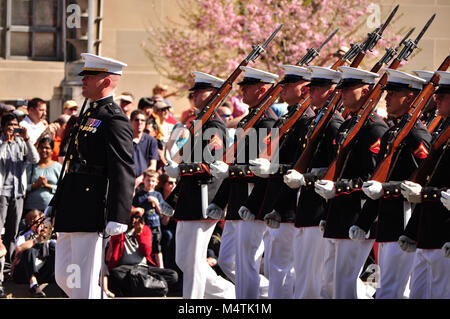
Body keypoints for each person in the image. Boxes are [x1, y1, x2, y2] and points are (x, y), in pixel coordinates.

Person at [52, 53, 136, 299]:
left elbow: (123, 168)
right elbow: (71, 163)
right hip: (71, 202)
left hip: (91, 205)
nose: (84, 81)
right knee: (64, 276)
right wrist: (54, 204)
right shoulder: (89, 114)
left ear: (106, 81)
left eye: (90, 76)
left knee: (82, 281)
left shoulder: (114, 118)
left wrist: (118, 214)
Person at [353, 69, 432, 299]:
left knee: (393, 291)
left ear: (409, 98)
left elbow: (422, 181)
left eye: (393, 93)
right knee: (385, 289)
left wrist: (386, 190)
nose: (386, 98)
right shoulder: (392, 134)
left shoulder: (417, 135)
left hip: (405, 222)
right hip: (386, 222)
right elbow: (380, 178)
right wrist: (364, 221)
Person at [311, 66, 388, 299]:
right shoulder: (348, 125)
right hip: (337, 212)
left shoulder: (375, 128)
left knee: (345, 284)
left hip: (356, 214)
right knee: (328, 282)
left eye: (348, 88)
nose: (342, 93)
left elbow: (372, 179)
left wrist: (339, 187)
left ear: (365, 92)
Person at [207, 66, 279, 299]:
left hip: (253, 199)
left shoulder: (267, 123)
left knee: (247, 260)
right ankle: (272, 293)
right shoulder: (249, 120)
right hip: (238, 199)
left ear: (262, 90)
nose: (242, 92)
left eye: (246, 88)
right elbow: (236, 163)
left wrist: (233, 170)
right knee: (228, 260)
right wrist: (220, 201)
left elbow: (262, 167)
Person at [164, 71, 235, 299]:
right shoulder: (199, 123)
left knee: (193, 260)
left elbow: (211, 164)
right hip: (189, 197)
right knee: (183, 259)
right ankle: (228, 294)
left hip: (205, 197)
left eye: (199, 92)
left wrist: (181, 168)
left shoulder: (215, 125)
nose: (194, 96)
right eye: (193, 93)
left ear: (214, 94)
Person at [248, 64, 314, 299]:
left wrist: (273, 168)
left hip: (289, 203)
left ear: (304, 89)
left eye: (289, 85)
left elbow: (299, 164)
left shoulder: (306, 121)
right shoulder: (287, 118)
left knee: (283, 267)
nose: (284, 88)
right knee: (278, 266)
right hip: (276, 202)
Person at [283, 66, 344, 298]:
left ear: (329, 92)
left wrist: (307, 177)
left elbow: (335, 167)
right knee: (304, 271)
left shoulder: (334, 124)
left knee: (312, 275)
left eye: (317, 88)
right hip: (306, 204)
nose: (310, 92)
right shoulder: (317, 120)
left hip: (319, 206)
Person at [398, 70, 450, 299]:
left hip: (444, 232)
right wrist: (411, 232)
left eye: (444, 95)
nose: (436, 98)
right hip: (426, 231)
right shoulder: (442, 131)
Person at [105, 212, 179, 297]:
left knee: (173, 275)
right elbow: (113, 246)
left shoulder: (145, 229)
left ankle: (141, 287)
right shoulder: (119, 231)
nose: (133, 220)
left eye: (136, 218)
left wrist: (139, 235)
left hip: (143, 268)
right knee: (115, 273)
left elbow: (146, 252)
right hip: (126, 269)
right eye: (131, 217)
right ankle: (153, 287)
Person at [132, 169, 174, 268]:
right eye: (148, 180)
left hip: (155, 225)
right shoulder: (139, 195)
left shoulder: (158, 195)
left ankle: (161, 268)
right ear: (144, 181)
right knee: (144, 247)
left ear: (157, 182)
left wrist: (156, 203)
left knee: (157, 248)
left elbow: (162, 212)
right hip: (143, 226)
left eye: (153, 181)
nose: (150, 183)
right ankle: (144, 267)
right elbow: (134, 210)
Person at [11, 209, 56, 298]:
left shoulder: (47, 234)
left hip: (42, 273)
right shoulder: (23, 235)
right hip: (23, 274)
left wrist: (56, 234)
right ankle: (33, 285)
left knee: (55, 250)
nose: (41, 225)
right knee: (29, 250)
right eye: (37, 222)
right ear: (30, 224)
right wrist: (36, 240)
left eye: (42, 222)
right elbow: (18, 248)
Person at [24, 137, 62, 213]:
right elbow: (23, 187)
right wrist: (35, 185)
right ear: (37, 149)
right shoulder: (30, 166)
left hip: (50, 210)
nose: (44, 150)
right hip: (30, 209)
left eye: (47, 148)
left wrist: (47, 185)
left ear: (52, 151)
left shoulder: (58, 167)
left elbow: (63, 189)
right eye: (41, 147)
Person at [130, 109, 159, 187]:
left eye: (142, 120)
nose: (140, 122)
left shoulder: (152, 141)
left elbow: (153, 165)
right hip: (127, 182)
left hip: (144, 183)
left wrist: (141, 178)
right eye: (137, 120)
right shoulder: (125, 140)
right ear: (131, 121)